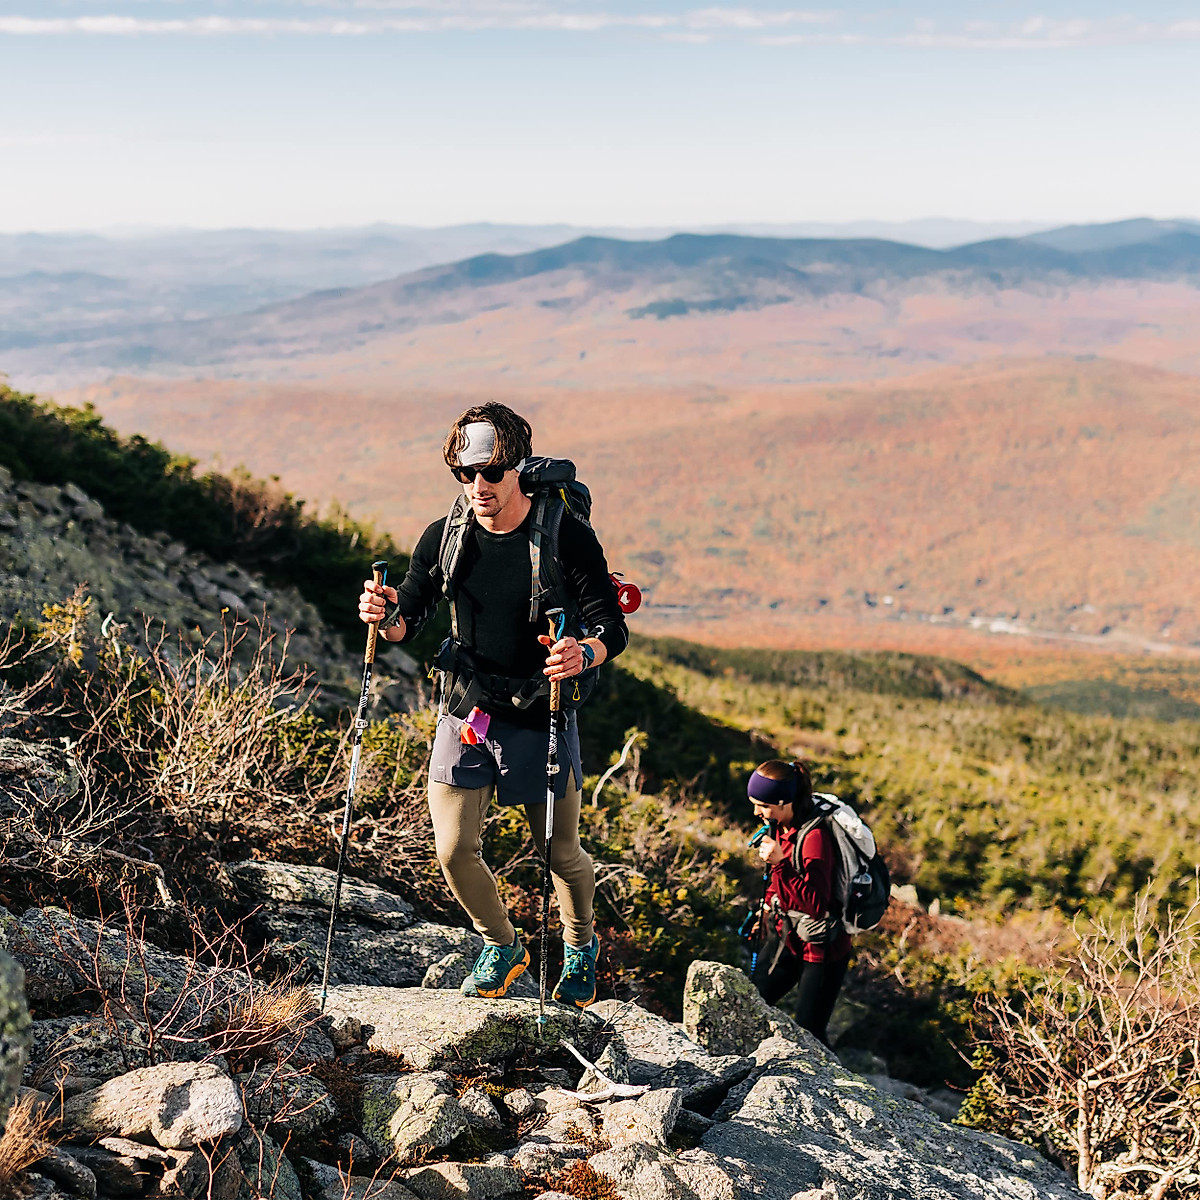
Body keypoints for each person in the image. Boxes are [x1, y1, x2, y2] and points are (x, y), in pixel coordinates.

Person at [357, 402, 627, 1007]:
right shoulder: (446, 537)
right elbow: (414, 608)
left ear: (519, 466)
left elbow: (613, 625)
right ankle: (502, 945)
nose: (479, 486)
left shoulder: (565, 537)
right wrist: (387, 615)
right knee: (453, 851)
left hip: (542, 711)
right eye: (464, 474)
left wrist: (585, 651)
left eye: (492, 471)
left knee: (558, 852)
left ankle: (579, 947)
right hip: (468, 706)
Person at [747, 759, 852, 1044]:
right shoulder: (778, 824)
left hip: (822, 948)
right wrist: (766, 909)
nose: (757, 812)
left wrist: (780, 863)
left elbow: (816, 906)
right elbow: (778, 883)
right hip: (788, 934)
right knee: (750, 1004)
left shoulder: (815, 838)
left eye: (763, 805)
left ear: (783, 802)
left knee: (810, 1032)